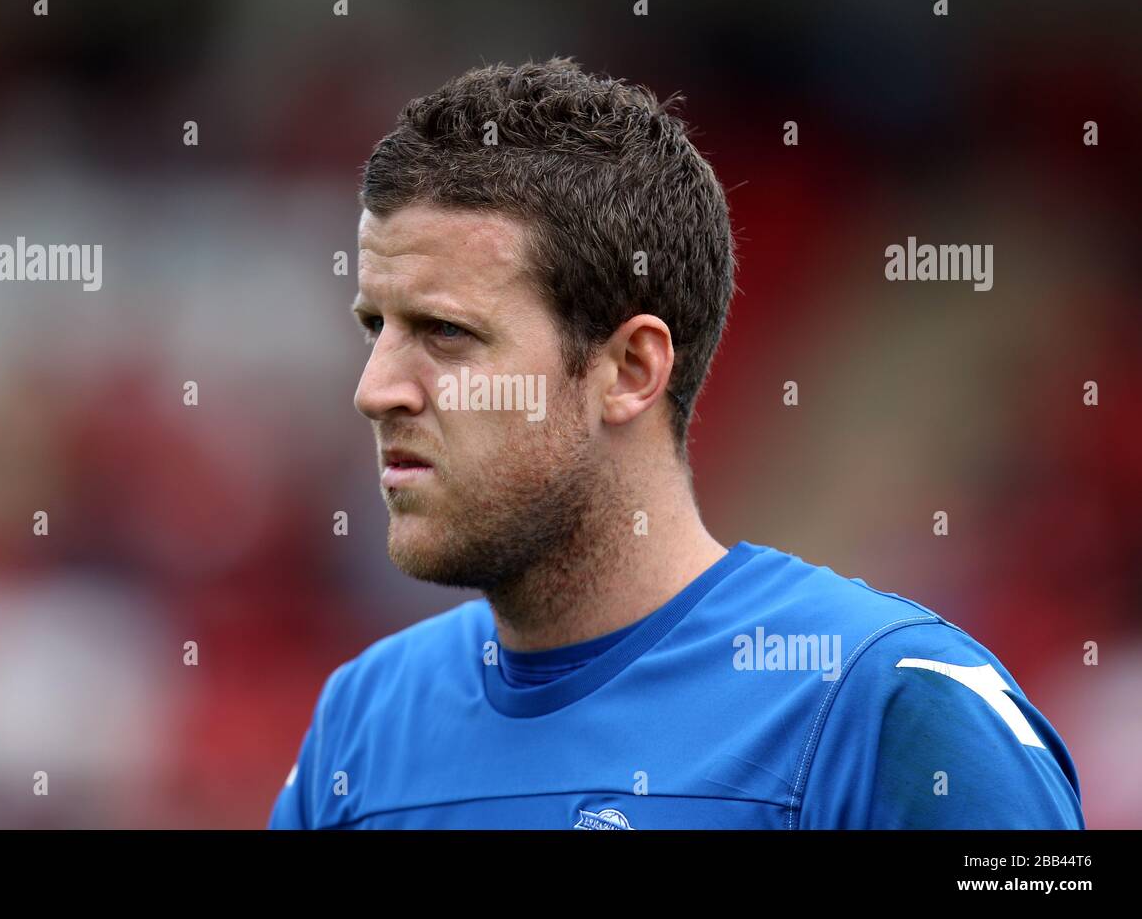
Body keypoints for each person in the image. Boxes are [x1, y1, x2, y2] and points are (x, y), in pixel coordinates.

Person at [268, 57, 1083, 829]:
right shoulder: (362, 723)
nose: (375, 390)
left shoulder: (886, 704)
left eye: (445, 333)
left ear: (628, 370)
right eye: (377, 327)